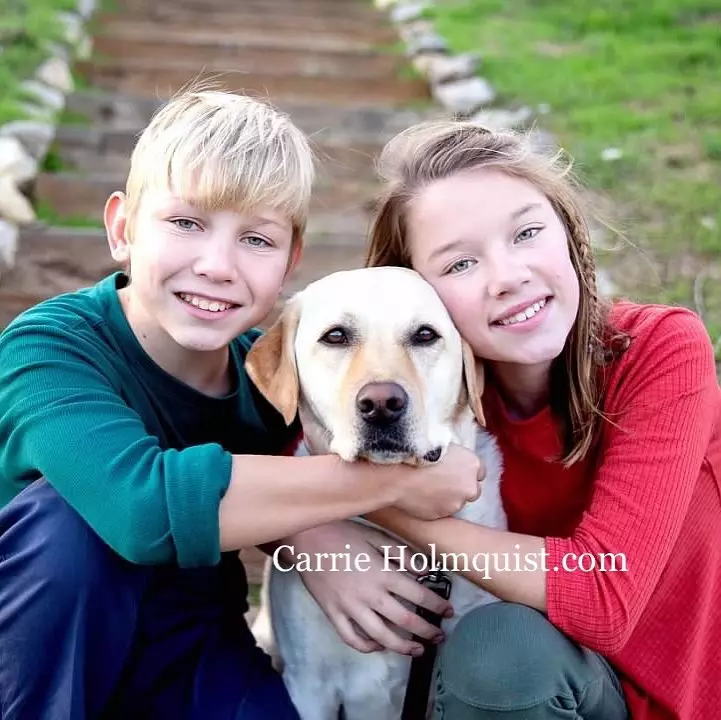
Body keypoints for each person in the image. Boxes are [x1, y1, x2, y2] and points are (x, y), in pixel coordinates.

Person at [0, 92, 483, 719]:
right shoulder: (47, 349)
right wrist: (385, 484)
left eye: (256, 238)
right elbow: (143, 507)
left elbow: (289, 468)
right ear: (121, 229)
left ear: (290, 262)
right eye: (186, 224)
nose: (217, 265)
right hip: (48, 645)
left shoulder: (283, 370)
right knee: (65, 523)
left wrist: (315, 535)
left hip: (191, 644)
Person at [282, 120, 721, 719]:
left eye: (528, 233)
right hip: (486, 700)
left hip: (650, 697)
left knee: (501, 650)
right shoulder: (420, 399)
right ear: (413, 290)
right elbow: (271, 455)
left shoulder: (659, 349)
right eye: (460, 264)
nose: (508, 277)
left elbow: (603, 595)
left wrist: (378, 503)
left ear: (568, 232)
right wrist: (311, 536)